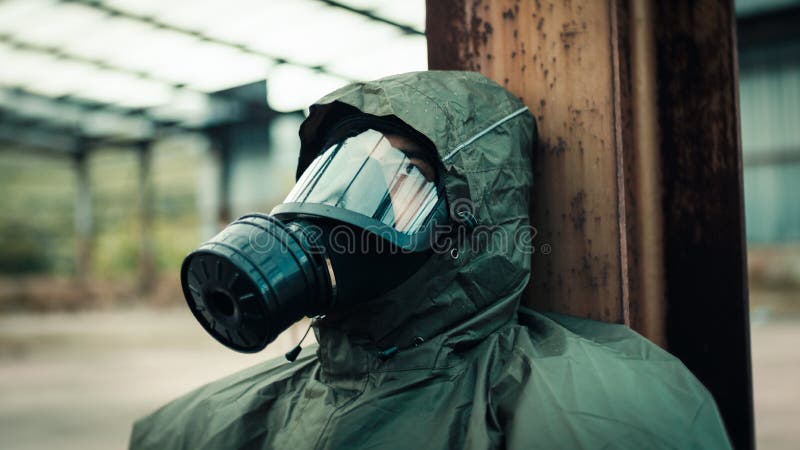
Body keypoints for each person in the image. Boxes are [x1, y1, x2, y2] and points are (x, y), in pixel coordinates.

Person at [129, 71, 732, 449]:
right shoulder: (204, 427)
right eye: (333, 173)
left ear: (477, 221)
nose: (337, 209)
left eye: (401, 178)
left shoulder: (606, 415)